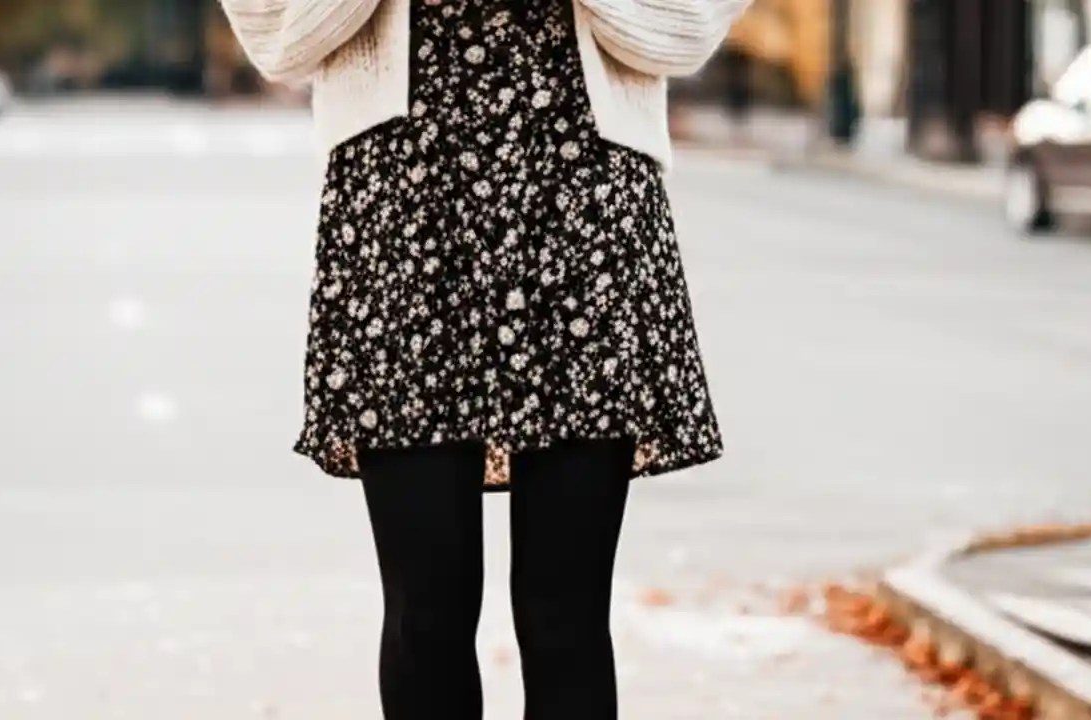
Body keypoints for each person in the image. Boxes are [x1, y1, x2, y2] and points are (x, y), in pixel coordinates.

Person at [219, 0, 749, 716]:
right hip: (401, 217)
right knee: (425, 617)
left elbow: (685, 25)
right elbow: (278, 35)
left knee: (567, 619)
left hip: (586, 208)